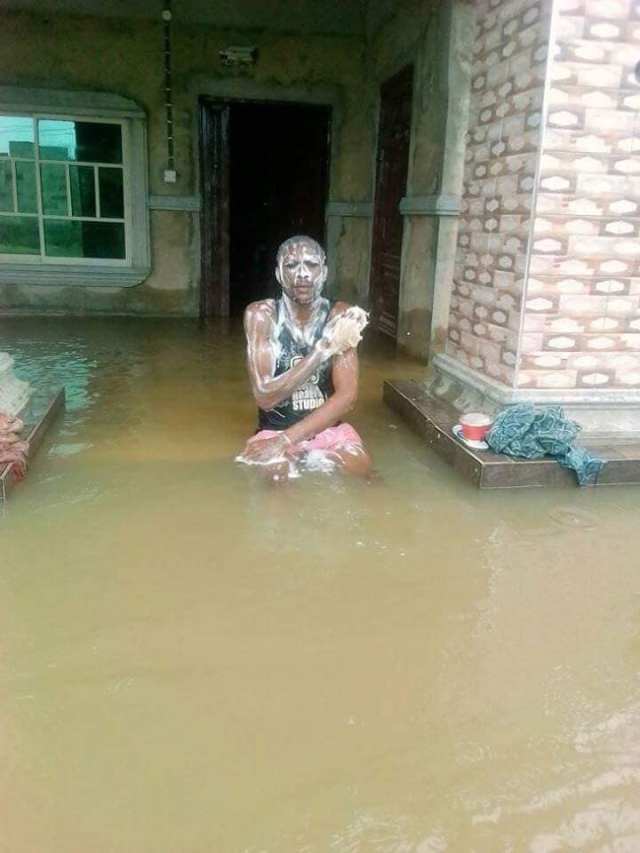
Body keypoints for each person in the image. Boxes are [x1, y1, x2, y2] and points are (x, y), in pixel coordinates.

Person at [238, 235, 372, 479]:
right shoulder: (261, 315)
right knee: (276, 477)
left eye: (311, 265)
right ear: (279, 273)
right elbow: (265, 396)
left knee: (360, 470)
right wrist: (322, 350)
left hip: (329, 431)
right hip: (275, 431)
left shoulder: (340, 315)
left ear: (324, 272)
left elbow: (347, 397)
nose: (302, 273)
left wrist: (291, 439)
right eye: (291, 265)